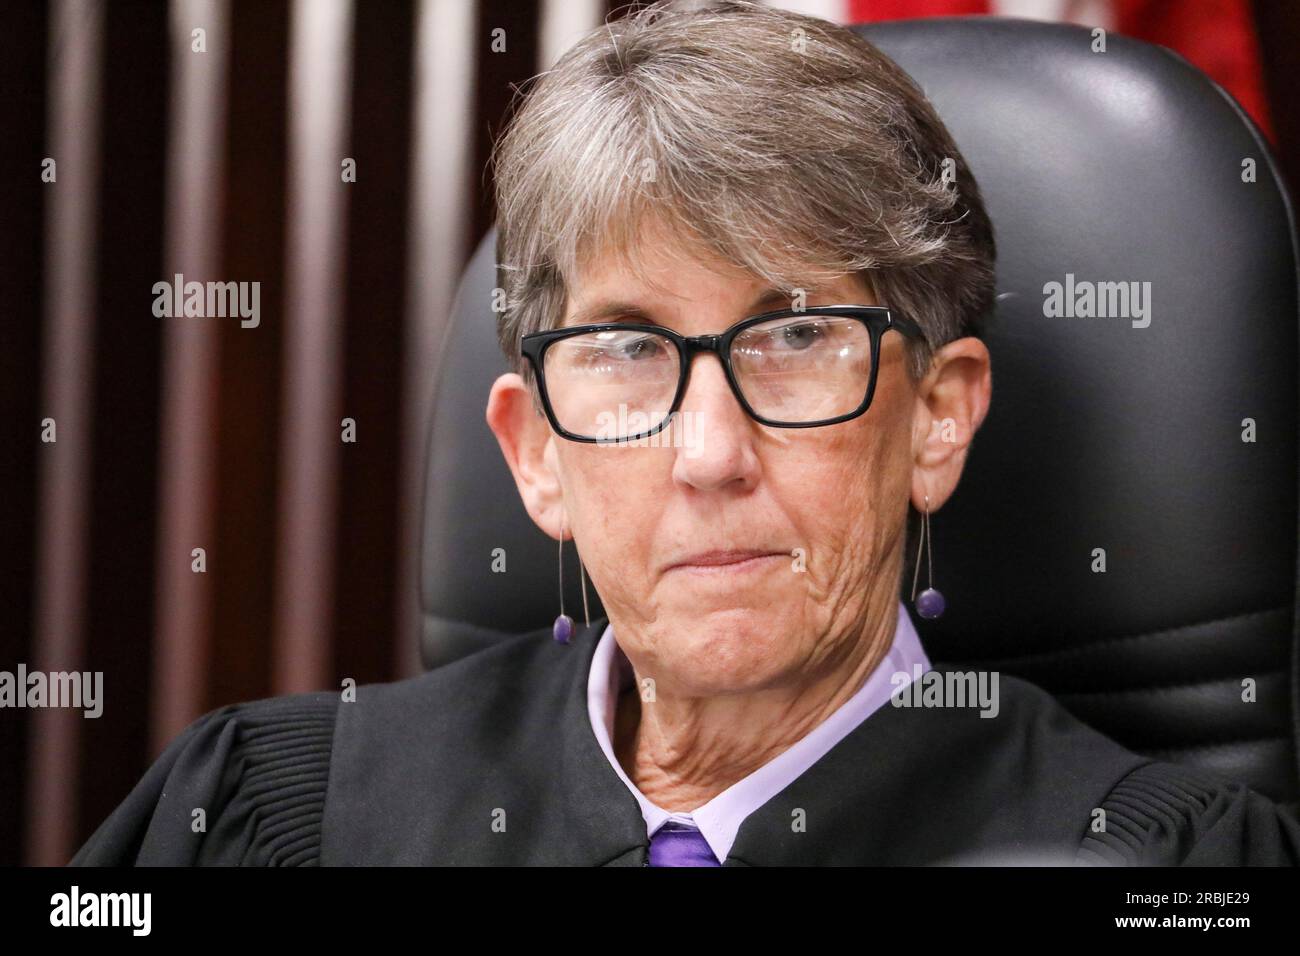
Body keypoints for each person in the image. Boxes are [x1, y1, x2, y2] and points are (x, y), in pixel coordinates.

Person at [72, 0, 1300, 867]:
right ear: (536, 450)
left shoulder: (1164, 866)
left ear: (937, 415)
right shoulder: (275, 811)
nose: (710, 453)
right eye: (624, 349)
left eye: (797, 335)